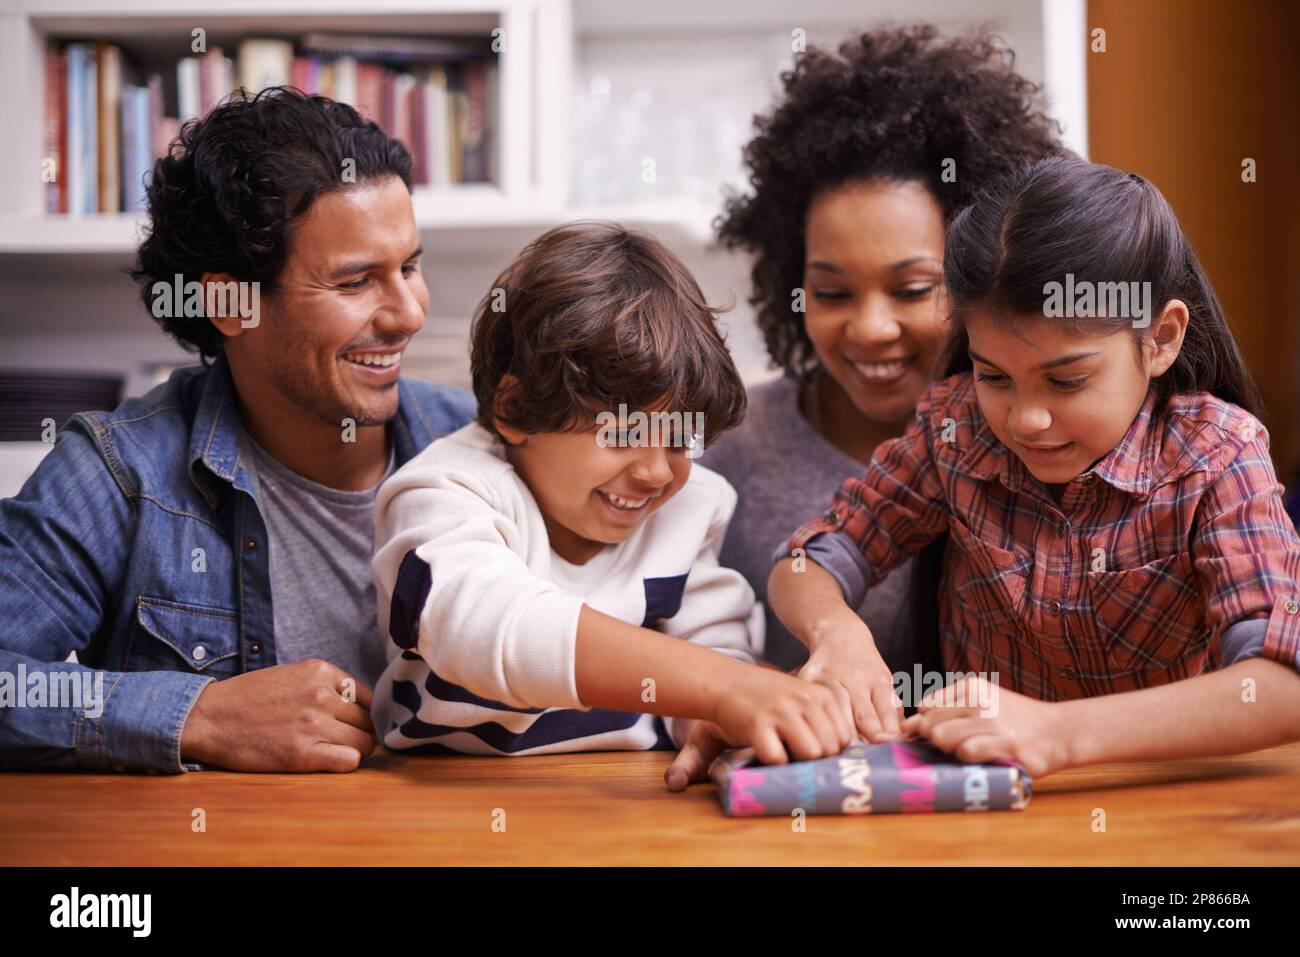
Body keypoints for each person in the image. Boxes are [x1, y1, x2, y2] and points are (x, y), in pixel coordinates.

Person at [759, 155, 1300, 778]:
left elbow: (1280, 684)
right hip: (982, 811)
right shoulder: (955, 428)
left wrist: (1057, 734)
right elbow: (808, 558)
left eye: (1066, 379)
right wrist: (836, 633)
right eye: (994, 376)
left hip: (1167, 806)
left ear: (1160, 339)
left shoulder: (1217, 454)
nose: (1026, 420)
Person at [0, 88, 474, 773]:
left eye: (409, 267)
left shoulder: (475, 444)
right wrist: (199, 714)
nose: (408, 314)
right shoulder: (117, 472)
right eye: (355, 282)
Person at [370, 222, 854, 772]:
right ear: (515, 410)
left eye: (679, 438)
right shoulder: (443, 493)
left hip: (625, 802)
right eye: (622, 433)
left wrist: (716, 719)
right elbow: (487, 627)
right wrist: (725, 687)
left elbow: (713, 653)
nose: (653, 473)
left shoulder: (689, 505)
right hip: (441, 808)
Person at [702, 25, 1063, 685]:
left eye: (913, 288)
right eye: (833, 291)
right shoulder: (730, 449)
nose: (870, 328)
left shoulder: (1050, 432)